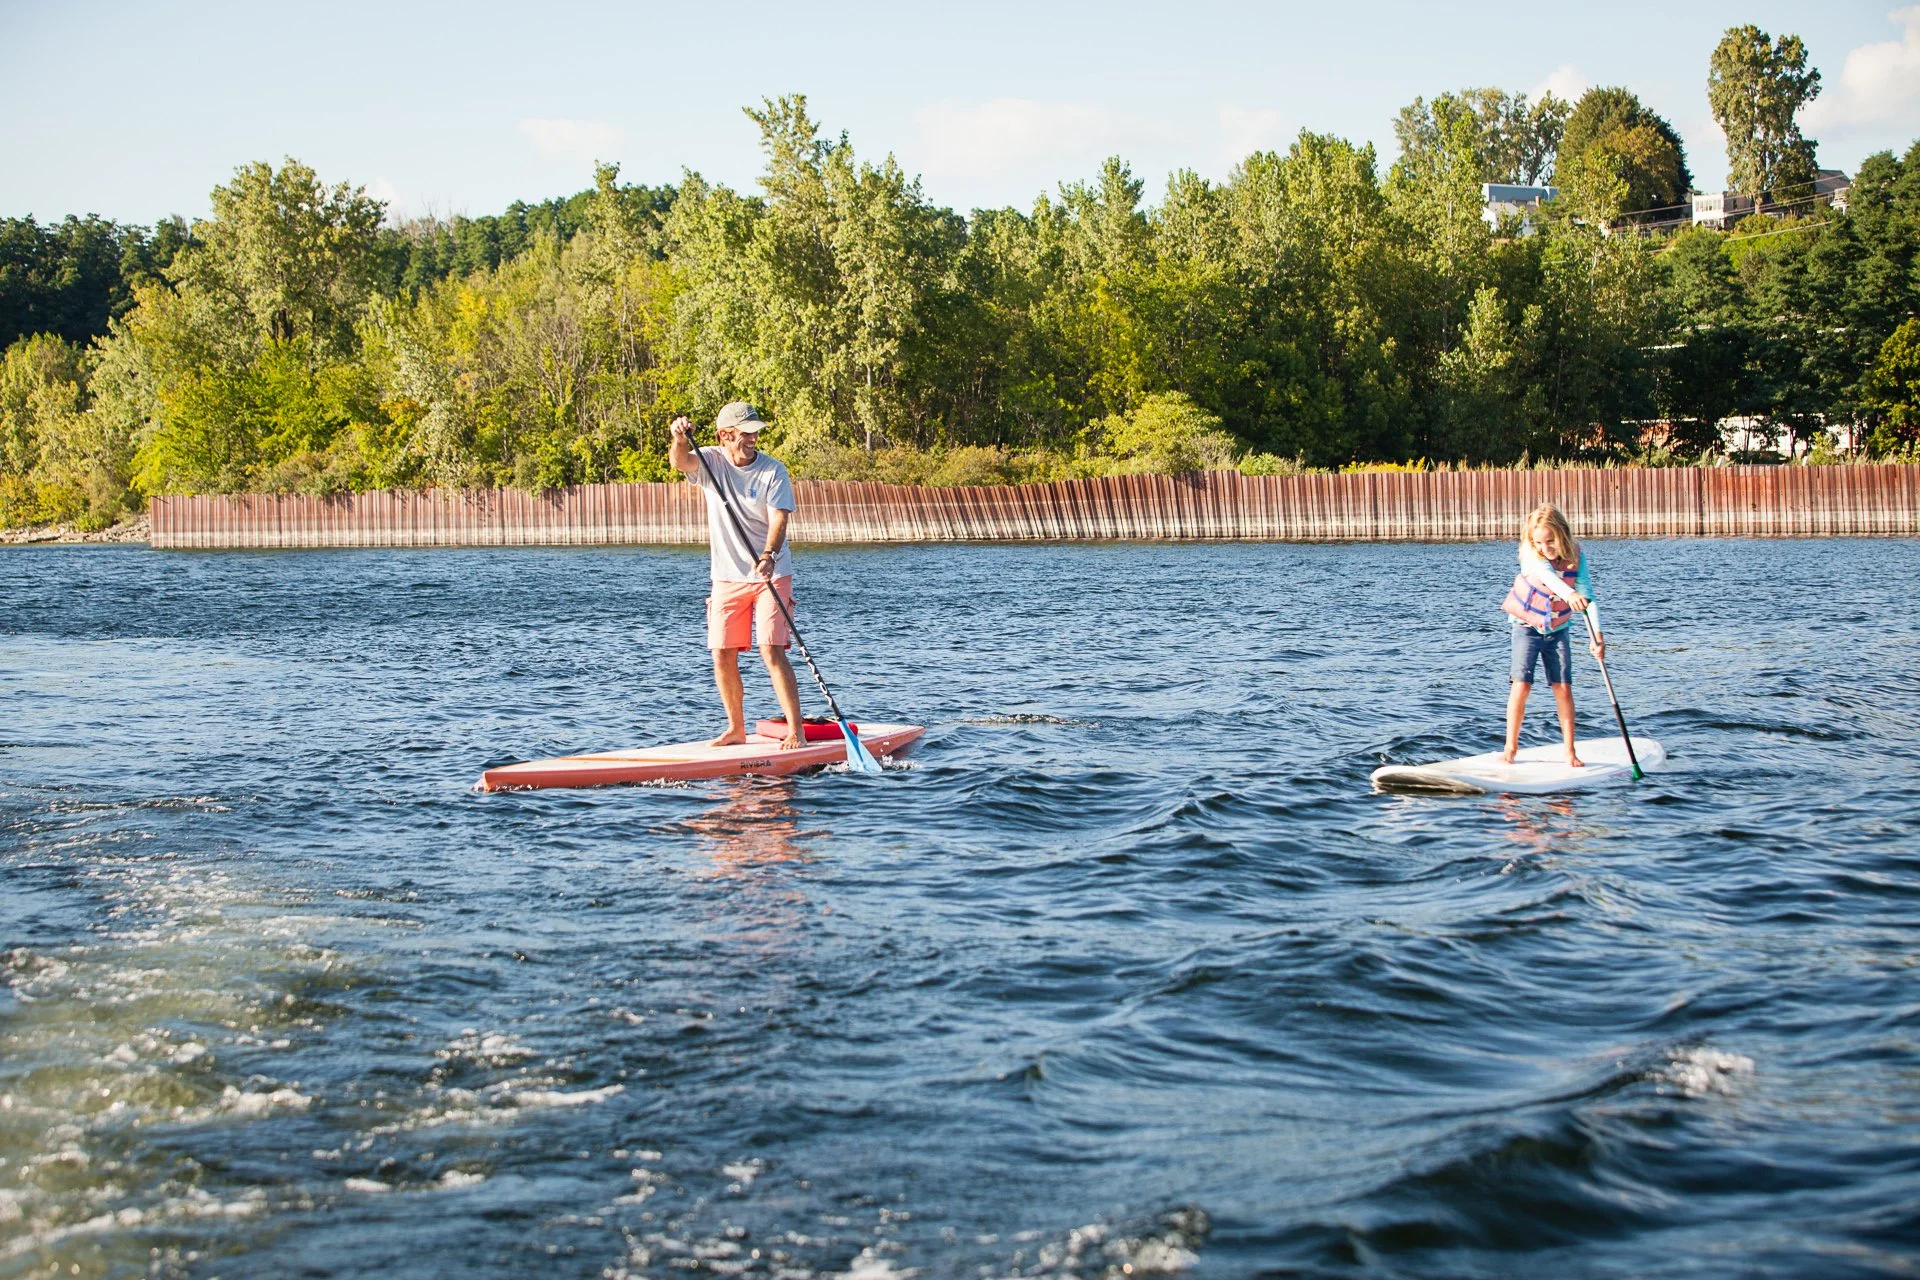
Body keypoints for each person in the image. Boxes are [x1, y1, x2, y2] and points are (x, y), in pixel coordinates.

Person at [668, 402, 807, 751]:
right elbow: (679, 462)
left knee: (770, 650)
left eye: (755, 432)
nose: (753, 438)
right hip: (726, 576)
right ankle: (735, 730)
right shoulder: (710, 461)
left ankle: (797, 732)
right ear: (725, 436)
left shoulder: (773, 471)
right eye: (746, 433)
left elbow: (779, 520)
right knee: (721, 652)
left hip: (770, 572)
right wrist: (679, 437)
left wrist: (768, 555)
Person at [1500, 503, 1605, 766]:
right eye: (1539, 542)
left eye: (1551, 541)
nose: (1545, 548)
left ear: (1563, 535)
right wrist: (1570, 595)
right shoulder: (1530, 556)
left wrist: (1597, 637)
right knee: (1521, 685)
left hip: (1558, 630)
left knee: (1563, 688)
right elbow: (1548, 577)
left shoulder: (1576, 555)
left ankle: (1570, 752)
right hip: (1527, 628)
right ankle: (1510, 750)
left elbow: (1588, 596)